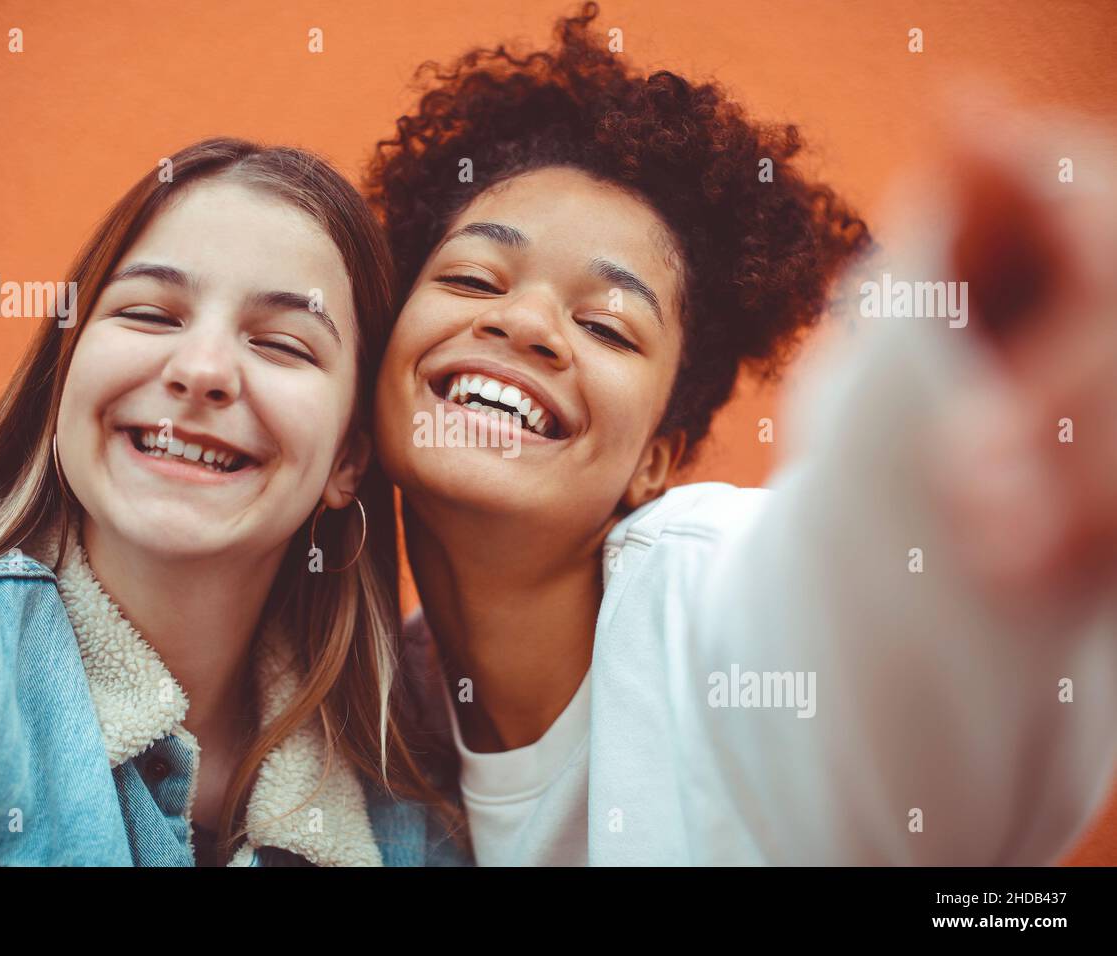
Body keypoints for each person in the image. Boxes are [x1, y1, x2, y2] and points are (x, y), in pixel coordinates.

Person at [364, 3, 1117, 865]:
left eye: (608, 328)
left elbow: (872, 636)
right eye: (471, 277)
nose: (528, 321)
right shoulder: (380, 723)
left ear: (659, 458)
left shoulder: (699, 593)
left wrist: (969, 356)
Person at [0, 138, 465, 866]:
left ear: (347, 459)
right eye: (152, 314)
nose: (201, 370)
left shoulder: (412, 816)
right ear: (67, 375)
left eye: (282, 344)